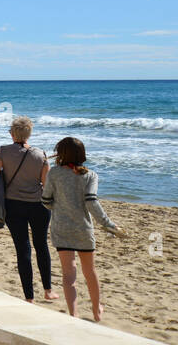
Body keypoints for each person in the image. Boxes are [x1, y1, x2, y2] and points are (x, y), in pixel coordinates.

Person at [43, 137, 125, 321]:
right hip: (83, 230)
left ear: (61, 153)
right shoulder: (90, 175)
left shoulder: (54, 173)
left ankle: (74, 314)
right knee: (90, 271)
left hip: (61, 228)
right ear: (82, 154)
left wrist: (59, 207)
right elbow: (91, 202)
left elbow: (46, 200)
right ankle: (96, 311)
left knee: (68, 274)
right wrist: (108, 224)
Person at [0, 116, 55, 303]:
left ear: (12, 134)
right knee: (41, 245)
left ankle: (29, 297)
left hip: (13, 205)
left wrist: (1, 173)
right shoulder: (40, 154)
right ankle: (48, 290)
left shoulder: (2, 151)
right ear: (29, 134)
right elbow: (45, 184)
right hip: (39, 206)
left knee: (22, 248)